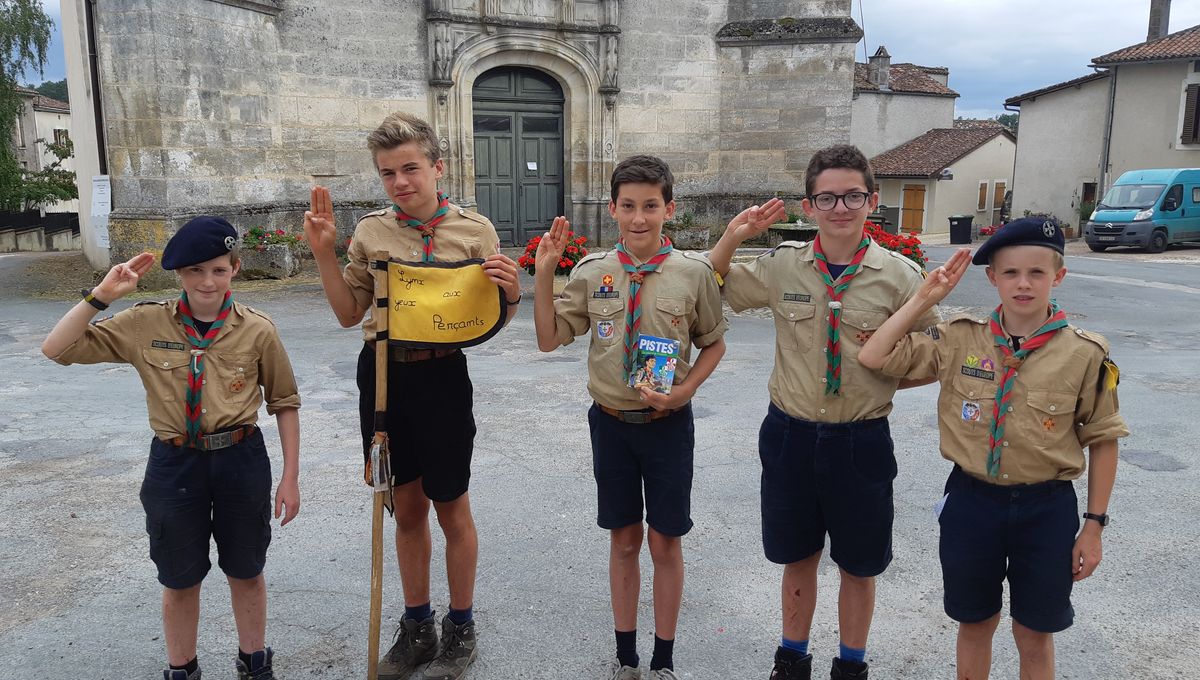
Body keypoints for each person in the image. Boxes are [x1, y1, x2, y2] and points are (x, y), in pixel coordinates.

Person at [706, 145, 940, 680]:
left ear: (872, 201)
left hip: (861, 440)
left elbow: (936, 352)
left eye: (852, 196)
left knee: (859, 565)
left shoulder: (901, 278)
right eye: (827, 198)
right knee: (797, 557)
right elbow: (713, 285)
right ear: (809, 206)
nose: (840, 208)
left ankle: (850, 665)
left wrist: (882, 378)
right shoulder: (783, 264)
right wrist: (733, 236)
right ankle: (791, 659)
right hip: (789, 435)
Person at [858, 218, 1128, 680]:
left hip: (1046, 509)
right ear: (992, 278)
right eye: (1011, 273)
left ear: (1059, 276)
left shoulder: (1085, 354)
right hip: (972, 502)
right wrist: (925, 298)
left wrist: (1094, 526)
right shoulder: (960, 337)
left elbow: (1103, 438)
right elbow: (874, 355)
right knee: (975, 623)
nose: (1023, 284)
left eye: (1037, 273)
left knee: (1034, 633)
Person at [302, 111, 521, 680]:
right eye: (387, 173)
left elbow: (487, 319)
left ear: (437, 168)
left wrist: (512, 295)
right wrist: (324, 252)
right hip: (383, 379)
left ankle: (461, 626)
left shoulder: (474, 232)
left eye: (410, 169)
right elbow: (348, 313)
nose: (399, 182)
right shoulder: (372, 233)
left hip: (443, 378)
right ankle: (418, 626)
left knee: (452, 505)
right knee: (406, 508)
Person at [41, 216, 302, 680]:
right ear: (180, 273)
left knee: (247, 570)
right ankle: (182, 670)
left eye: (219, 269)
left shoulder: (258, 329)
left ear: (235, 268)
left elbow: (284, 402)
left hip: (240, 458)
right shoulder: (144, 322)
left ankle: (255, 664)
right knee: (179, 578)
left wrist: (290, 477)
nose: (208, 282)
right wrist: (101, 296)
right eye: (196, 270)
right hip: (174, 463)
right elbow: (56, 348)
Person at [533, 155, 727, 680]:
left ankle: (663, 660)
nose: (639, 218)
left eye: (650, 206)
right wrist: (546, 272)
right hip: (612, 425)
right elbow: (549, 339)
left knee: (665, 541)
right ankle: (626, 659)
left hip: (667, 427)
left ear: (669, 209)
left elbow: (713, 343)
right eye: (628, 206)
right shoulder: (592, 272)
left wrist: (684, 391)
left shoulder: (694, 274)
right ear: (613, 209)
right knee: (623, 540)